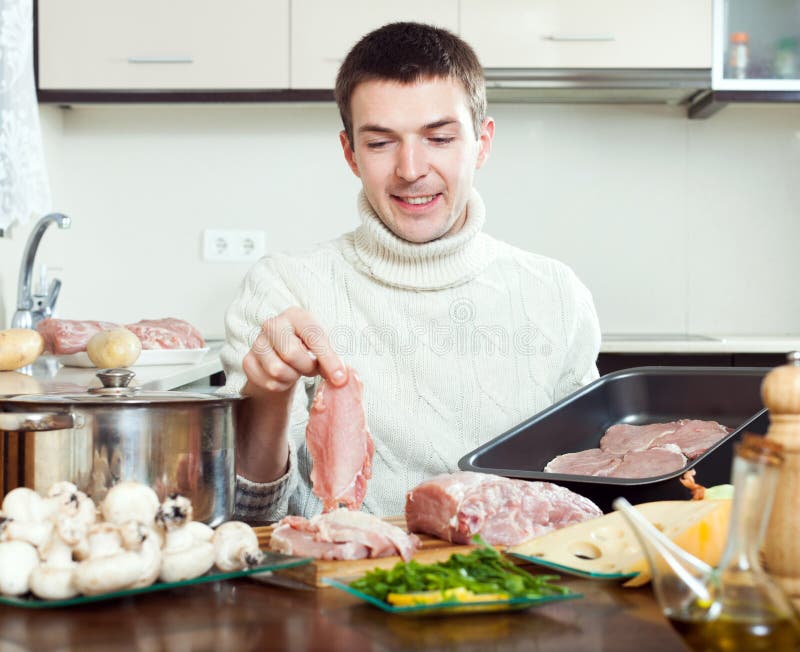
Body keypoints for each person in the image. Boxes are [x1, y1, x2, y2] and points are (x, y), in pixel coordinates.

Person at [220, 22, 601, 521]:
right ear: (350, 153)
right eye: (380, 144)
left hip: (515, 583)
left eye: (439, 138)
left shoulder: (556, 293)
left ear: (481, 143)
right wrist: (267, 397)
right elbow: (250, 515)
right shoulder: (285, 287)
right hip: (345, 583)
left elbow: (585, 492)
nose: (411, 168)